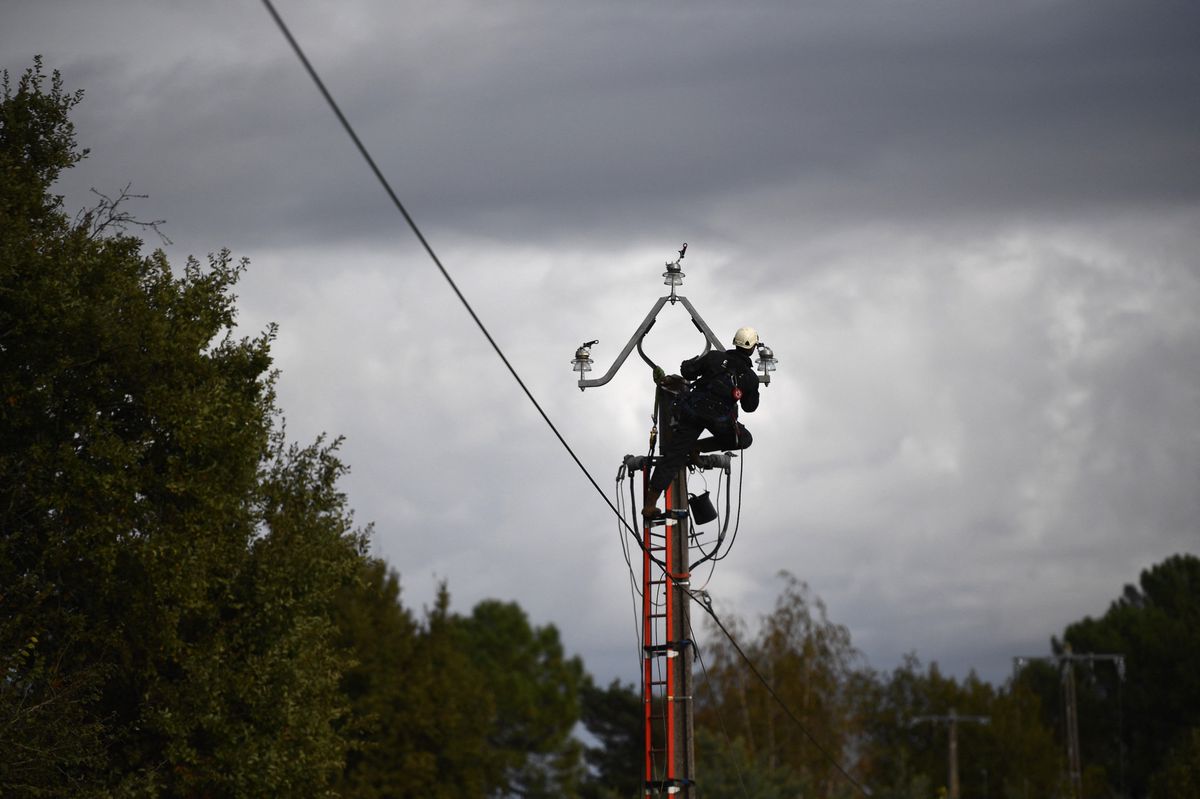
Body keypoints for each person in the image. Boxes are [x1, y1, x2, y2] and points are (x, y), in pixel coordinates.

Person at [643, 326, 762, 518]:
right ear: (752, 348)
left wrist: (691, 362)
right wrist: (753, 389)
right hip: (719, 421)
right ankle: (697, 447)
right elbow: (750, 407)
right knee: (744, 439)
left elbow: (688, 372)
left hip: (692, 413)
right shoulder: (749, 378)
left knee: (673, 456)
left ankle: (649, 505)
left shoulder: (714, 358)